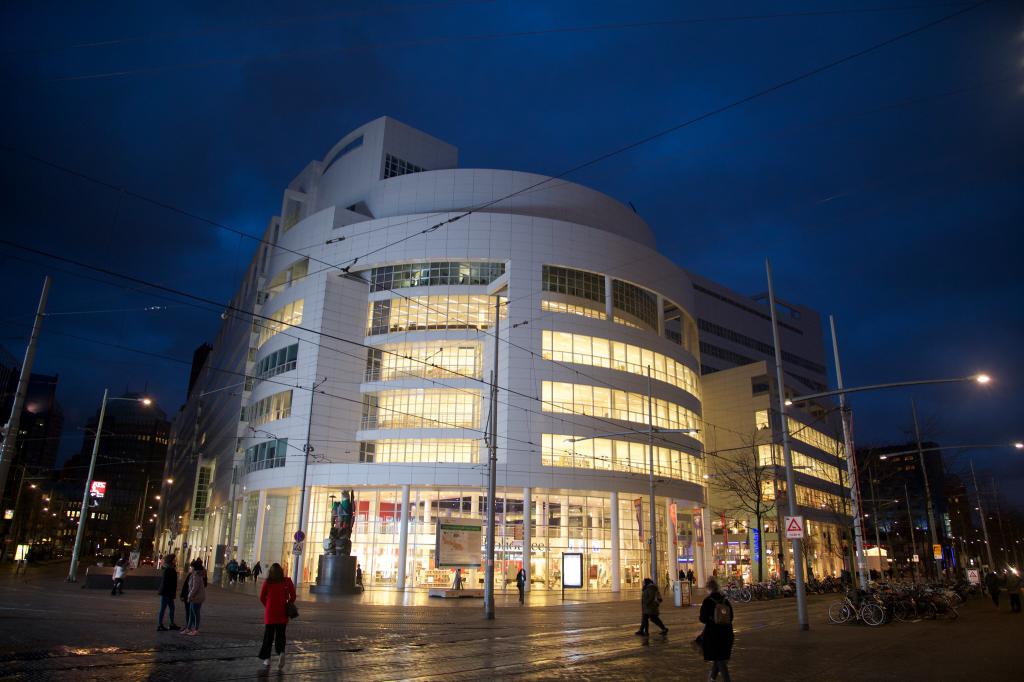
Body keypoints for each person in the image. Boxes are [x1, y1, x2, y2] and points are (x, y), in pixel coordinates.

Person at [259, 563, 297, 670]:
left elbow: (262, 597)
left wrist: (268, 605)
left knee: (268, 636)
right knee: (281, 635)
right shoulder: (287, 581)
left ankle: (267, 658)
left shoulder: (267, 582)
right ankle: (281, 653)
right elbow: (293, 596)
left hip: (270, 613)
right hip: (282, 612)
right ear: (281, 571)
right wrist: (288, 603)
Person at [699, 579, 734, 682]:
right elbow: (731, 617)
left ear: (709, 589)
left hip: (713, 634)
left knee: (719, 659)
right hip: (727, 633)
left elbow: (703, 619)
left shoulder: (707, 601)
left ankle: (726, 680)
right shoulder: (725, 601)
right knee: (719, 658)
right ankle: (711, 679)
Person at [180, 559, 207, 636]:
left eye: (192, 567)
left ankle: (196, 629)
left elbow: (195, 588)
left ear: (195, 568)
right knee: (192, 613)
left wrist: (189, 596)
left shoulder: (197, 576)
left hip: (197, 597)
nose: (190, 568)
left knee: (195, 613)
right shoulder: (194, 575)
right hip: (195, 597)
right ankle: (188, 628)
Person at [157, 554, 180, 631]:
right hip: (166, 592)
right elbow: (166, 582)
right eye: (174, 559)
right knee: (163, 609)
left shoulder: (171, 568)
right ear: (171, 560)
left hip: (169, 592)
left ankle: (171, 624)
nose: (176, 560)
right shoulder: (168, 569)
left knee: (172, 608)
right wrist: (170, 593)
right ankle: (160, 625)